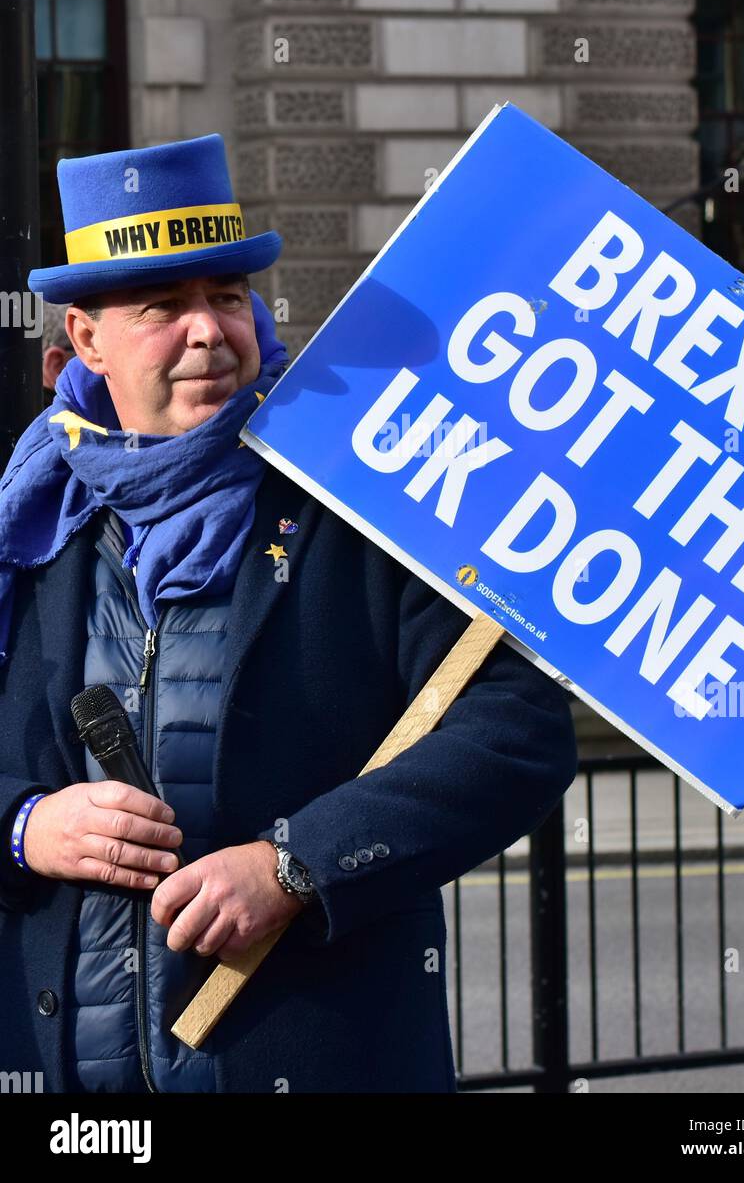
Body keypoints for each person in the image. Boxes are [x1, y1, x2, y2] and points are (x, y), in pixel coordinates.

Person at [0, 134, 578, 1094]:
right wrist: (27, 830)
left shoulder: (359, 496)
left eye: (226, 297)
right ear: (87, 340)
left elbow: (515, 734)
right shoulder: (35, 526)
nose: (206, 331)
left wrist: (294, 866)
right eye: (161, 306)